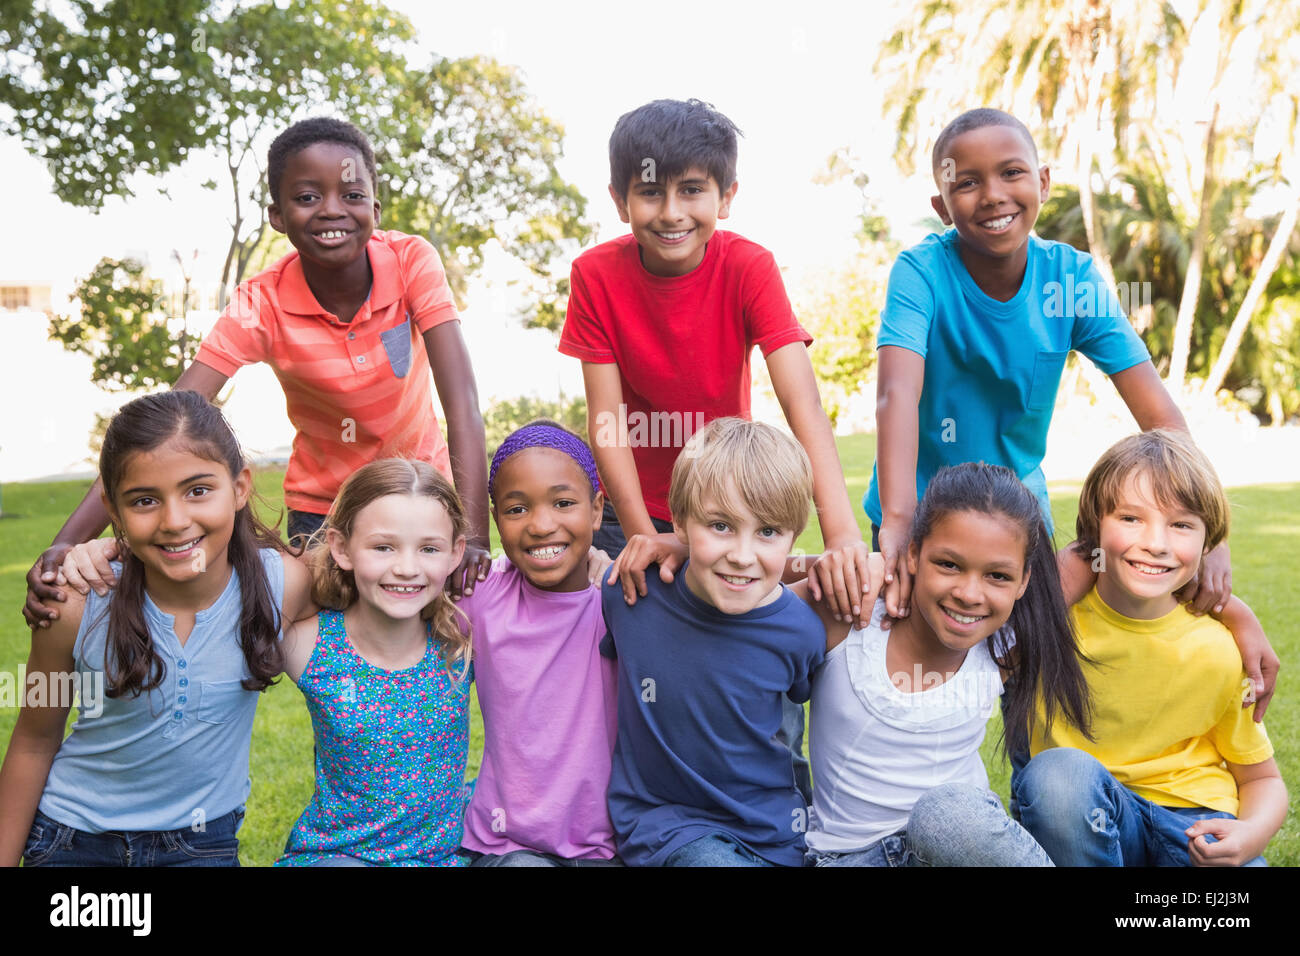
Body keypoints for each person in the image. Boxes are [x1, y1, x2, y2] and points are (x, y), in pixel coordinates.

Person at [866, 107, 1277, 712]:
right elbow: (894, 394)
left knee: (1029, 679)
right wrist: (898, 522)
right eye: (967, 182)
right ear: (941, 205)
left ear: (1044, 182)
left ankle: (1041, 795)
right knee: (899, 682)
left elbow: (1160, 417)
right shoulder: (922, 271)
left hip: (1019, 518)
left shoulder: (1072, 281)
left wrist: (1209, 529)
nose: (993, 195)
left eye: (1011, 173)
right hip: (920, 511)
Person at [23, 116, 492, 629]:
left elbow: (461, 405)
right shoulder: (261, 302)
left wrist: (473, 535)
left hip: (420, 494)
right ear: (277, 215)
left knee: (436, 653)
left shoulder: (410, 262)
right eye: (308, 197)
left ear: (375, 209)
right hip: (325, 514)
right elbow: (172, 419)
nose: (332, 209)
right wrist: (68, 539)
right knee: (342, 668)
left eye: (352, 194)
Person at [560, 98, 871, 801]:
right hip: (634, 506)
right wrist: (645, 537)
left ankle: (771, 811)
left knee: (743, 668)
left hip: (727, 500)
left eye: (693, 190)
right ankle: (644, 816)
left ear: (726, 197)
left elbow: (802, 403)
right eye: (650, 191)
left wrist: (843, 531)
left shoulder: (748, 266)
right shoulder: (596, 275)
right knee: (643, 684)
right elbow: (606, 422)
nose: (672, 212)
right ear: (620, 200)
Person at [0, 390, 313, 866]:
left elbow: (386, 570)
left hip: (200, 843)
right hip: (72, 839)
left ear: (241, 486)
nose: (174, 521)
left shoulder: (285, 583)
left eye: (198, 491)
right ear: (114, 509)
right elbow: (34, 739)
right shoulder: (75, 604)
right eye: (144, 500)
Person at [1014, 430, 1287, 866]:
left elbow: (1262, 780)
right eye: (1130, 518)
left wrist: (1250, 835)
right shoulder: (1050, 626)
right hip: (1083, 817)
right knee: (1057, 777)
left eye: (1181, 525)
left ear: (1207, 544)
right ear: (1094, 531)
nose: (1156, 543)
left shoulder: (1219, 647)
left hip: (1192, 826)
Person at [800, 463, 1088, 866]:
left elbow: (1093, 553)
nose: (970, 594)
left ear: (1024, 582)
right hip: (850, 858)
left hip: (957, 848)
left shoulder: (1000, 648)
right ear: (913, 552)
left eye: (998, 576)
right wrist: (854, 564)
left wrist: (1208, 550)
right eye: (949, 565)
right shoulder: (851, 616)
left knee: (948, 815)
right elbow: (750, 573)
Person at [599, 418, 825, 867]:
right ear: (678, 522)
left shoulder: (800, 630)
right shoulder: (630, 594)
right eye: (720, 526)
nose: (742, 556)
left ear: (793, 537)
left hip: (775, 831)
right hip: (670, 826)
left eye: (767, 532)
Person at [276, 459, 473, 866]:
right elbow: (219, 588)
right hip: (338, 857)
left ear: (456, 553)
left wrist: (595, 567)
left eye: (429, 549)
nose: (406, 568)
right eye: (383, 547)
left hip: (441, 859)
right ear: (342, 548)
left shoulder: (462, 642)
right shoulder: (308, 644)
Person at [455, 421, 621, 867]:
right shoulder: (482, 597)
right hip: (508, 844)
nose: (542, 525)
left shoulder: (624, 598)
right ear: (495, 521)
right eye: (516, 509)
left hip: (613, 844)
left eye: (563, 503)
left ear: (597, 510)